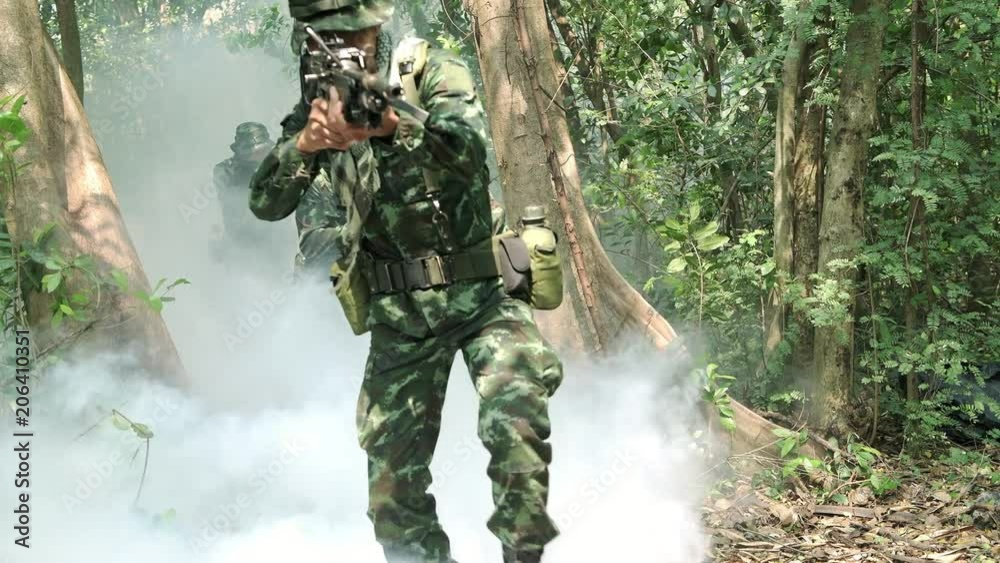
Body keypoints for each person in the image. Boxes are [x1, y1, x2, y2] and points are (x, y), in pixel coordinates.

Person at [248, 1, 563, 562]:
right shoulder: (315, 108)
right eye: (325, 37)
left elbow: (467, 154)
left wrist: (391, 121)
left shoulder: (430, 69)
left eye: (352, 33)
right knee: (392, 488)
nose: (343, 45)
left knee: (517, 435)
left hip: (484, 293)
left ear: (376, 27)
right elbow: (266, 203)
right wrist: (307, 145)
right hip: (401, 318)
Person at [212, 122, 274, 261]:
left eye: (264, 150)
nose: (261, 155)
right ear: (244, 152)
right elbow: (230, 198)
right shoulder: (226, 170)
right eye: (257, 152)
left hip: (273, 241)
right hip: (240, 242)